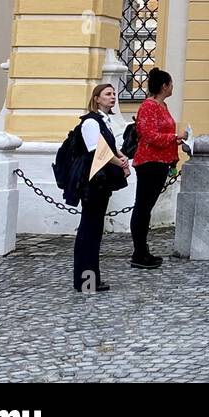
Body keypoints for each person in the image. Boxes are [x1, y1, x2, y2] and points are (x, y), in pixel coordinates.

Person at [72, 83, 131, 293]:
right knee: (89, 230)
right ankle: (85, 281)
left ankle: (92, 279)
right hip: (93, 183)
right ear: (96, 98)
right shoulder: (90, 122)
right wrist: (120, 162)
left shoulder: (104, 121)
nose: (112, 97)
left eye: (114, 94)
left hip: (101, 182)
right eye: (107, 94)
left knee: (95, 230)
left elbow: (110, 147)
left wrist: (121, 156)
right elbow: (96, 150)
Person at [129, 67, 186, 269]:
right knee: (143, 207)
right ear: (164, 86)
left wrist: (174, 143)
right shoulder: (149, 106)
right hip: (149, 163)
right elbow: (149, 135)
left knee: (147, 207)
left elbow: (162, 133)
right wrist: (174, 137)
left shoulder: (163, 106)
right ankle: (139, 252)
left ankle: (143, 251)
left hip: (161, 162)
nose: (172, 87)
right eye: (171, 84)